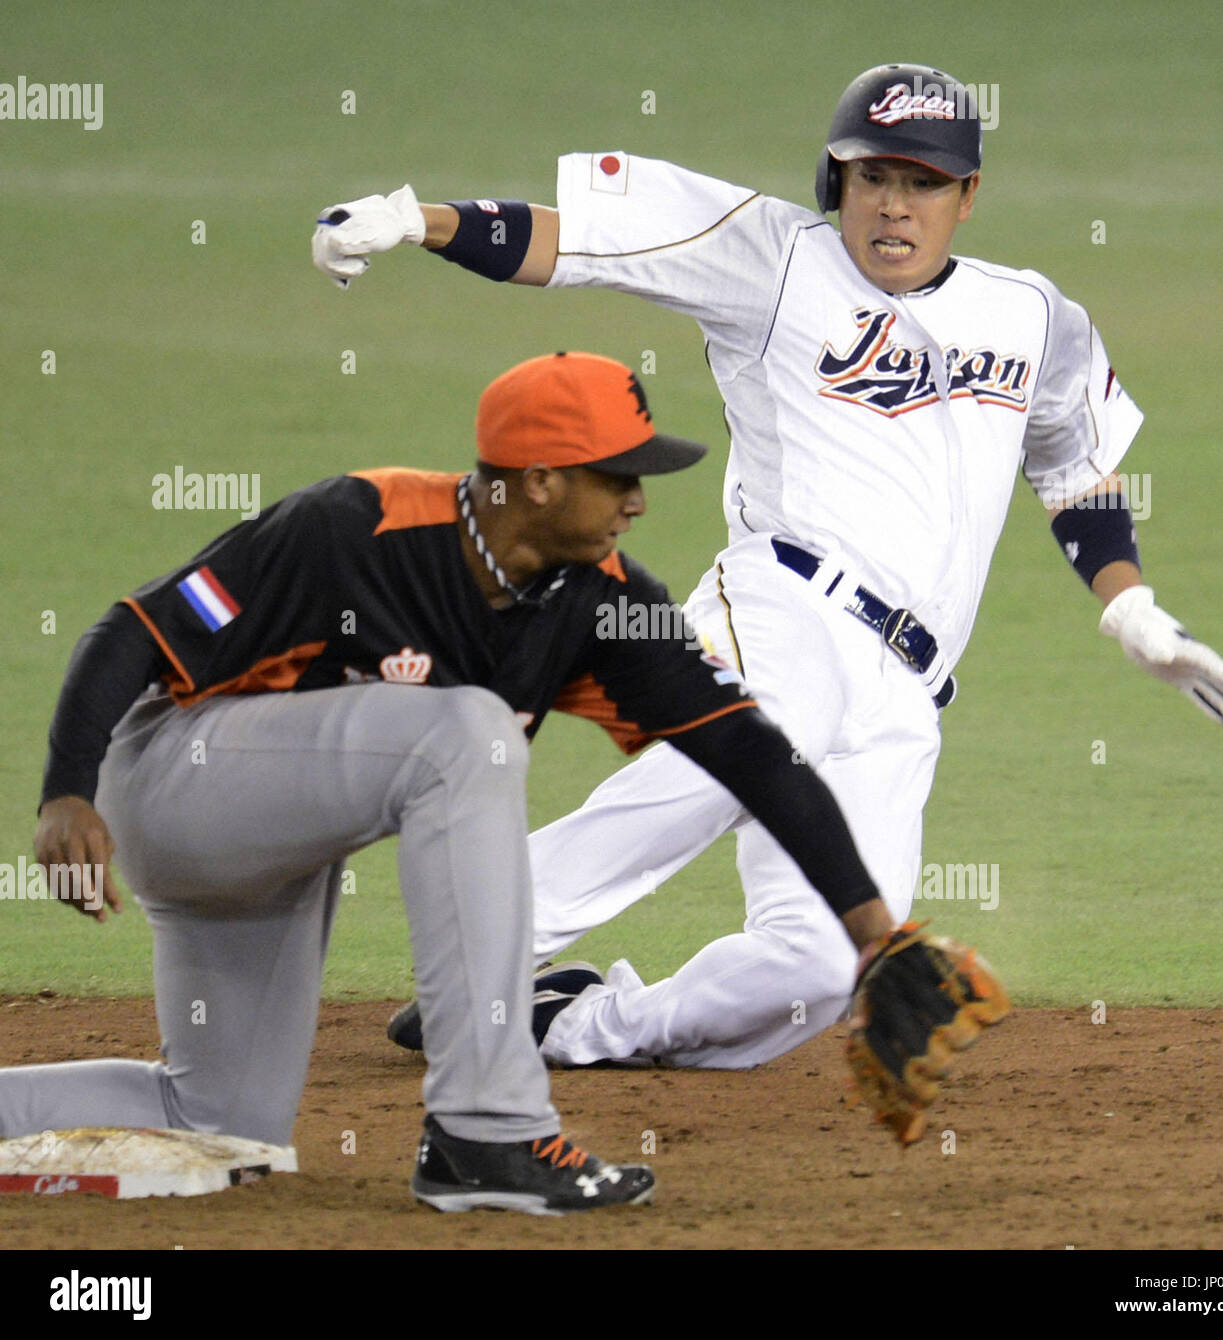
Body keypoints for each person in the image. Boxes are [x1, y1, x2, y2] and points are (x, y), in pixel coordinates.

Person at [312, 62, 1223, 1072]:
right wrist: (418, 222)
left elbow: (1073, 466)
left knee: (824, 966)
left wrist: (1133, 608)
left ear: (967, 197)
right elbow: (580, 240)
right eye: (871, 175)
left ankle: (564, 1025)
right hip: (787, 603)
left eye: (924, 182)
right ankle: (486, 933)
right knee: (717, 764)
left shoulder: (1033, 316)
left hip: (907, 694)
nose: (894, 204)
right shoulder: (771, 259)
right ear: (835, 178)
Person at [4, 352, 906, 1214]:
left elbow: (750, 751)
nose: (637, 500)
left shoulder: (603, 599)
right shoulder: (350, 528)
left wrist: (877, 939)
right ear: (542, 478)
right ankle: (487, 1130)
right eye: (618, 475)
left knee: (221, 1130)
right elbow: (131, 632)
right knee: (467, 730)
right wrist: (64, 794)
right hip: (172, 782)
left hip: (271, 850)